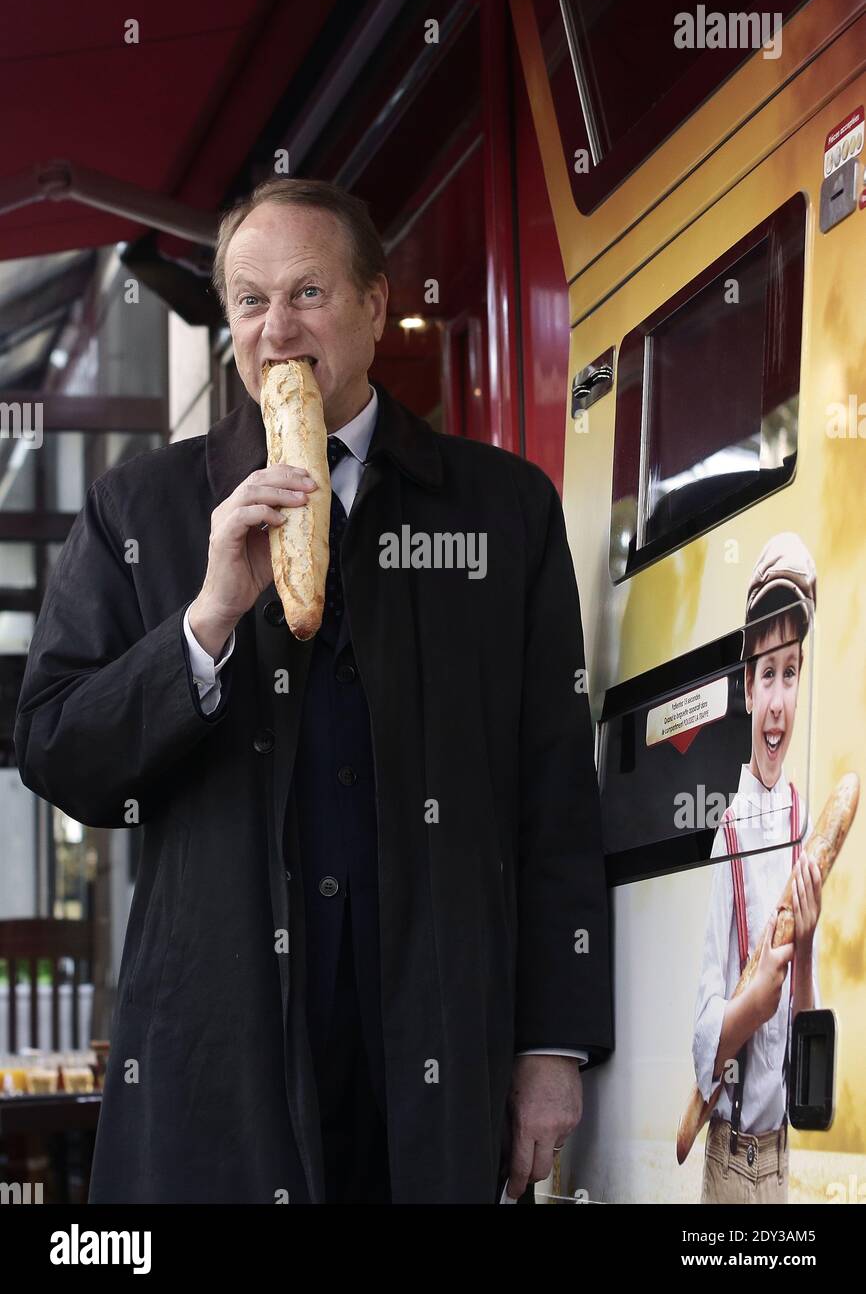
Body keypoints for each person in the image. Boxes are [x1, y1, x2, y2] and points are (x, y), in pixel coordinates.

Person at [14, 177, 612, 1205]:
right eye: (249, 302)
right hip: (221, 1048)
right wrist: (204, 621)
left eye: (307, 294)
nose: (275, 328)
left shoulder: (502, 508)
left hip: (433, 1039)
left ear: (376, 306)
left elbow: (553, 790)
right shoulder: (140, 508)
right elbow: (59, 749)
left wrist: (551, 1047)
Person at [692, 533, 821, 1203]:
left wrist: (799, 957)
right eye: (766, 673)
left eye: (791, 672)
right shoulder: (730, 834)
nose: (777, 702)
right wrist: (752, 1003)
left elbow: (808, 1083)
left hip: (780, 1160)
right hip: (729, 1157)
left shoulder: (805, 833)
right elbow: (704, 1041)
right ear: (746, 686)